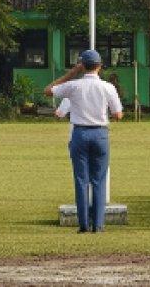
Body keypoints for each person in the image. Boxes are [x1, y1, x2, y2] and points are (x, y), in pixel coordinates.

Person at [44, 50, 124, 234]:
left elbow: (48, 90)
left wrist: (71, 73)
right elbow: (118, 114)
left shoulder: (74, 85)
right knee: (99, 180)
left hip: (79, 133)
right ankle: (98, 224)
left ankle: (83, 224)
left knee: (81, 180)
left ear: (82, 65)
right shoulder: (108, 87)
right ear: (100, 66)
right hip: (100, 133)